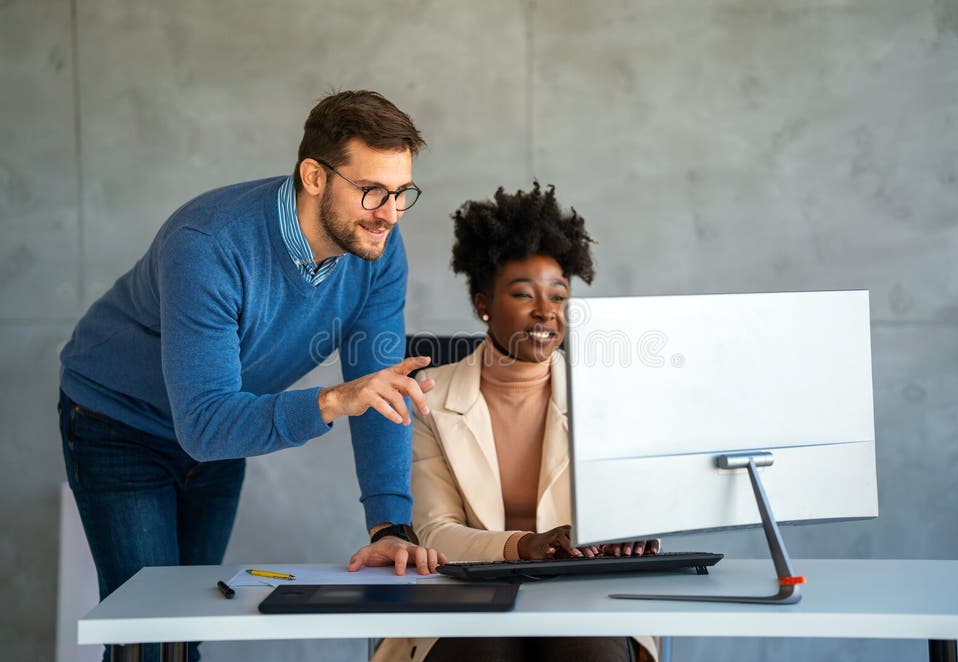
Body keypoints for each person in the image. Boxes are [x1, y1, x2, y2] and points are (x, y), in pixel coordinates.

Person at [58, 90, 445, 662]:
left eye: (400, 194)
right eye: (371, 192)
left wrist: (389, 526)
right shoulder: (209, 245)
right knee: (146, 631)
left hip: (223, 422)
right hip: (118, 421)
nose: (389, 214)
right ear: (315, 176)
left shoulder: (377, 250)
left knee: (187, 624)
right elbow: (206, 425)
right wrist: (335, 399)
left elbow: (382, 391)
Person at [373, 183, 660, 662]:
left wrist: (630, 532)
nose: (546, 311)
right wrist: (523, 545)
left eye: (559, 295)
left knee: (587, 651)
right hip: (463, 598)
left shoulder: (606, 394)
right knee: (484, 651)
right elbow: (435, 532)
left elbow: (634, 507)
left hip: (584, 598)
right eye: (524, 294)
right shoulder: (429, 395)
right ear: (484, 303)